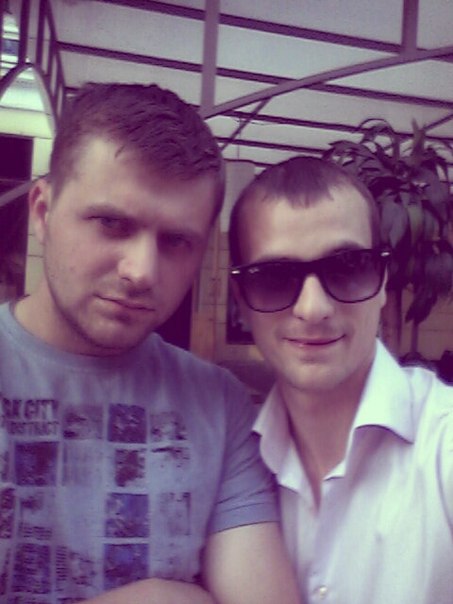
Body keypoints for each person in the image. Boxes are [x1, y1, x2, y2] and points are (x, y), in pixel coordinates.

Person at [0, 83, 301, 604]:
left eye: (176, 241)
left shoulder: (218, 403)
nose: (141, 271)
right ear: (43, 212)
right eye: (111, 223)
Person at [228, 156, 453, 604]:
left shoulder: (442, 446)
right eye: (274, 278)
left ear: (383, 279)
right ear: (242, 299)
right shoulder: (230, 460)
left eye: (348, 267)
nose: (313, 309)